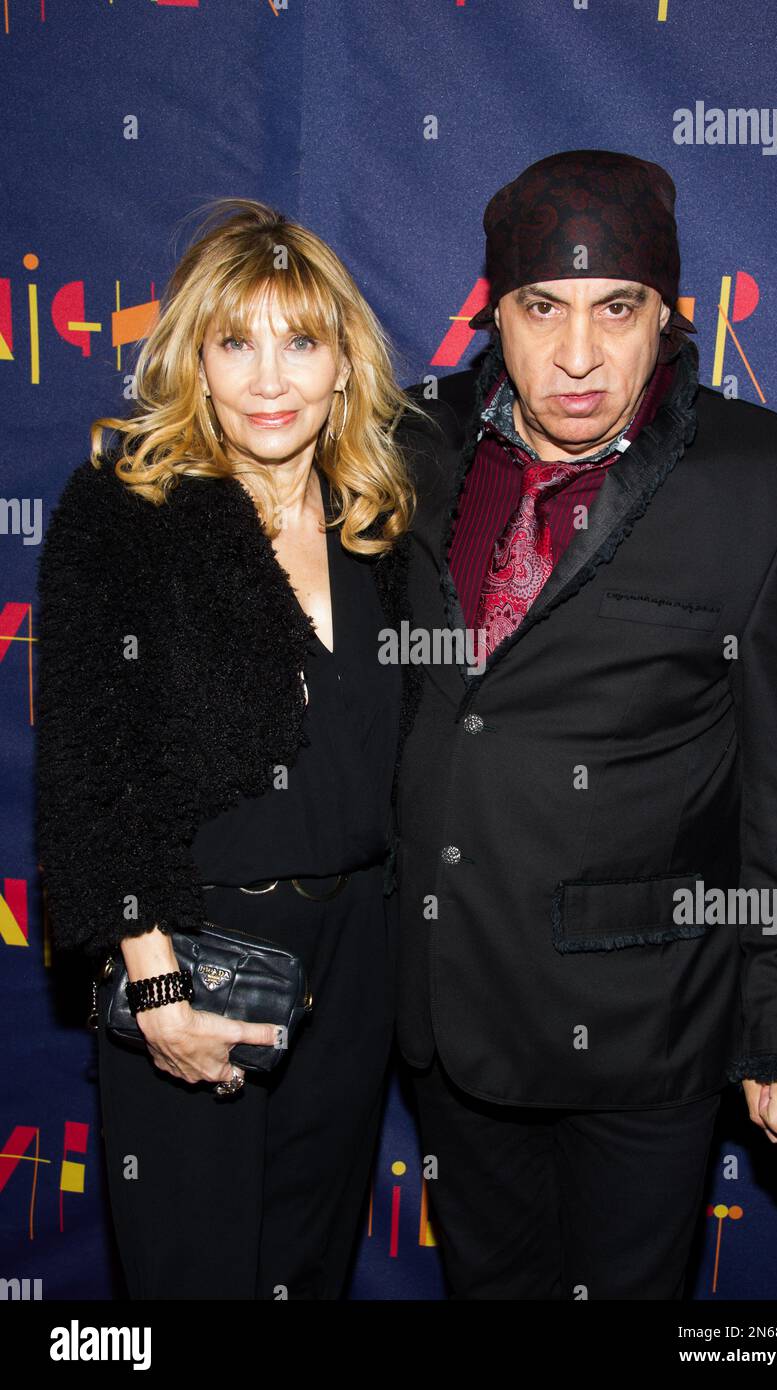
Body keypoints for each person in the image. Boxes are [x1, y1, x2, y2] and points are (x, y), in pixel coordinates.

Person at [392, 149, 777, 1300]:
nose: (578, 354)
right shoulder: (407, 446)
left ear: (669, 311)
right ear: (493, 313)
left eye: (618, 309)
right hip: (448, 1004)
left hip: (643, 1017)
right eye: (540, 308)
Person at [35, 197, 425, 1300]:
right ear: (195, 360)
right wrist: (151, 977)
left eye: (301, 341)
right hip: (197, 943)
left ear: (344, 363)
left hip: (359, 955)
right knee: (191, 1279)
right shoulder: (127, 511)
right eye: (235, 340)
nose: (269, 377)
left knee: (307, 1270)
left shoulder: (379, 519)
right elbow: (82, 760)